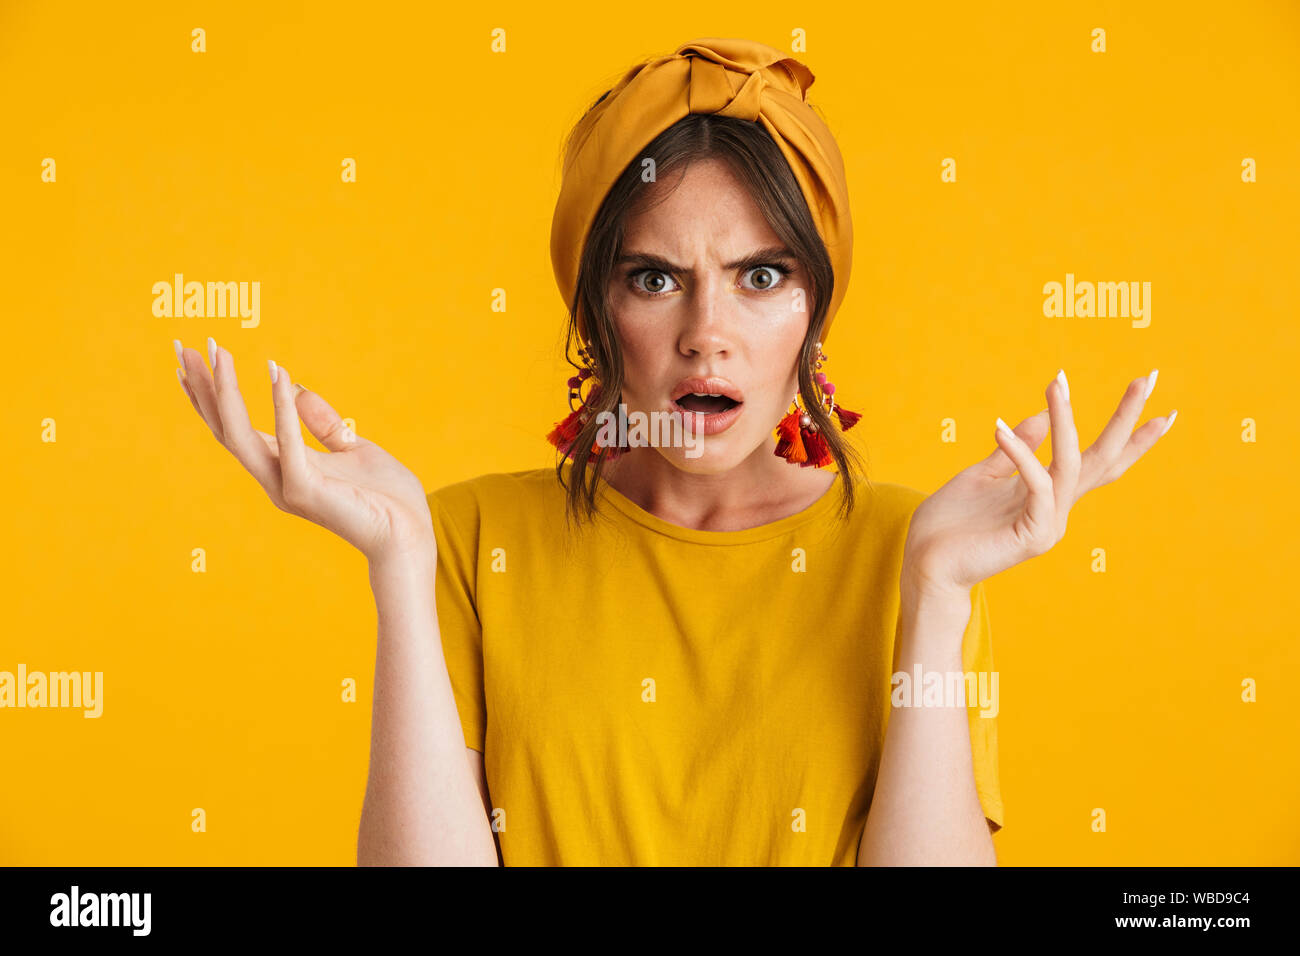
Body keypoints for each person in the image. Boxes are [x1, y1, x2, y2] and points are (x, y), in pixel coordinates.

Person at [171, 38, 1176, 866]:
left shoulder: (914, 550)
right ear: (595, 313)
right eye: (654, 278)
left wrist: (939, 590)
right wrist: (396, 565)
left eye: (760, 275)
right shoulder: (466, 541)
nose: (708, 331)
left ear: (814, 313)